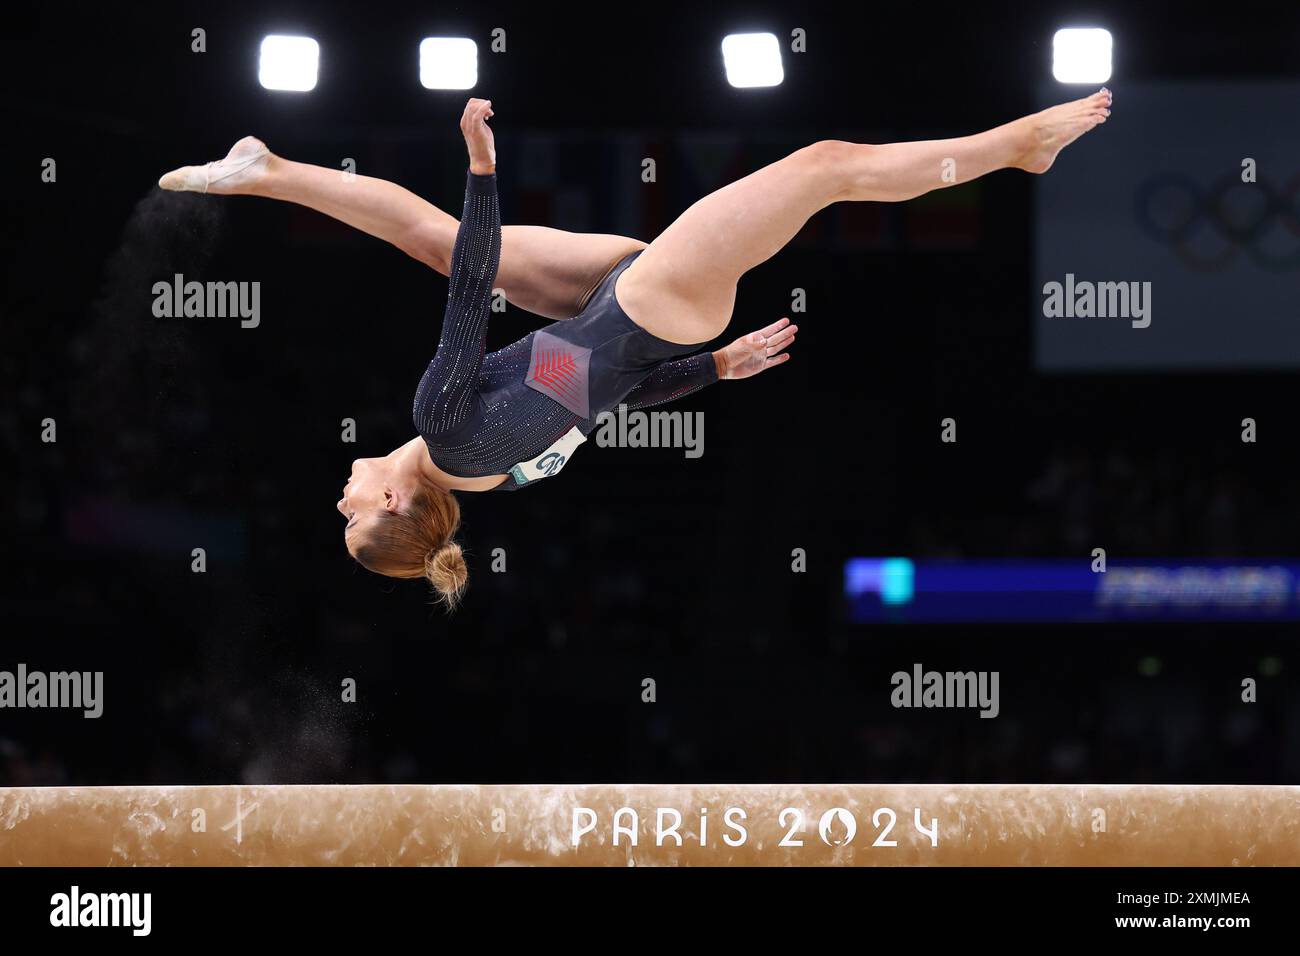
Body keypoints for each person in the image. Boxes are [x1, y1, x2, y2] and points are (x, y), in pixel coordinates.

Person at [159, 89, 1111, 605]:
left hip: (622, 314)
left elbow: (590, 391)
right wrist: (484, 167)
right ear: (400, 501)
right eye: (352, 511)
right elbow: (472, 298)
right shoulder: (442, 429)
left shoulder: (497, 476)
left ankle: (269, 172)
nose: (341, 494)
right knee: (825, 169)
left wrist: (713, 368)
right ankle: (1013, 146)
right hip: (650, 303)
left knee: (434, 240)